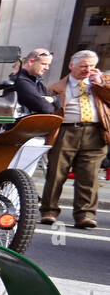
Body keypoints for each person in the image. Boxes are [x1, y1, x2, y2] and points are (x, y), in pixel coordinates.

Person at [40, 50, 109, 229]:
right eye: (83, 66)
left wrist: (100, 84)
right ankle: (49, 211)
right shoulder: (57, 87)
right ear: (72, 66)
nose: (88, 70)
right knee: (56, 173)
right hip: (65, 131)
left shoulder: (101, 84)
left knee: (90, 176)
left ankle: (85, 215)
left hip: (94, 133)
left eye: (92, 66)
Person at [11, 48, 58, 116]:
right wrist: (52, 102)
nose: (47, 68)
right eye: (44, 64)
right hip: (20, 125)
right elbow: (45, 108)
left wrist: (53, 99)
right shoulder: (20, 81)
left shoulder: (36, 81)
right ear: (31, 62)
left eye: (48, 65)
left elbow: (59, 103)